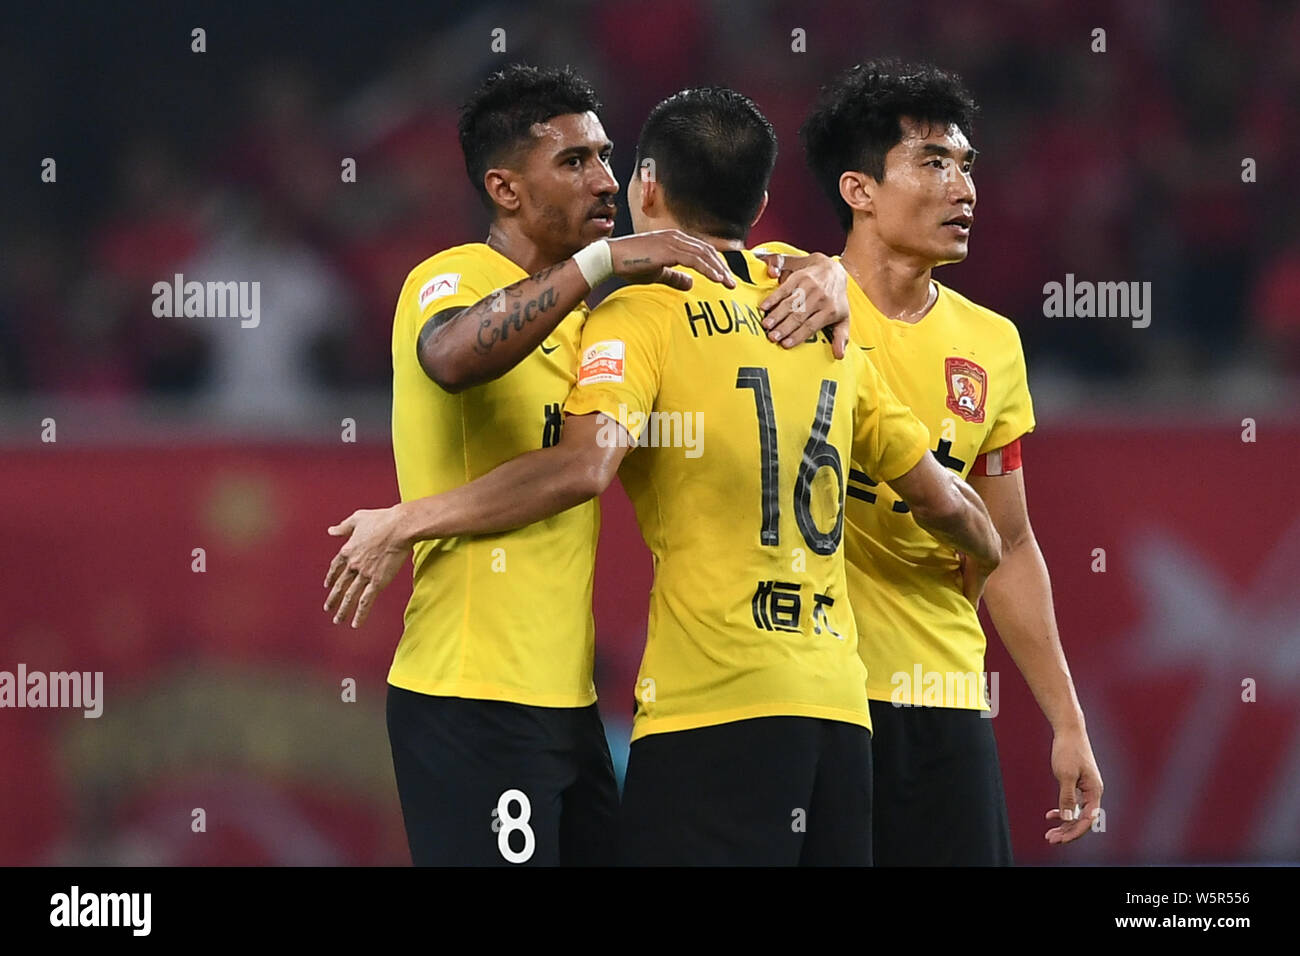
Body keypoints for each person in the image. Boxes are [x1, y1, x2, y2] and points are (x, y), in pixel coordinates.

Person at [325, 86, 1002, 865]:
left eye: (610, 158)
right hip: (475, 689)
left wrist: (825, 273)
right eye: (575, 160)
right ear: (504, 189)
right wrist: (610, 259)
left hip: (577, 707)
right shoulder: (453, 277)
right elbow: (449, 359)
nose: (604, 180)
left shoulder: (628, 314)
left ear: (650, 184)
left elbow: (588, 456)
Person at [795, 59, 1104, 863]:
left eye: (968, 167)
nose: (964, 189)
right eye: (933, 163)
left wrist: (1067, 721)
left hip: (943, 696)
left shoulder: (992, 343)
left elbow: (1012, 544)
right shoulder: (788, 294)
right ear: (859, 190)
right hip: (810, 689)